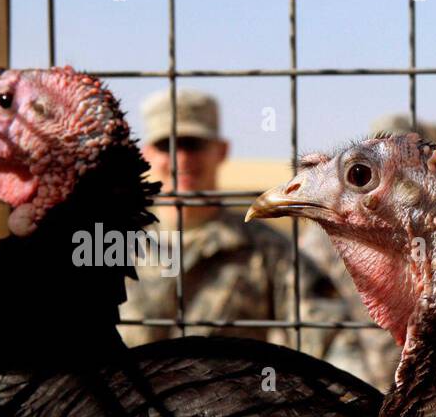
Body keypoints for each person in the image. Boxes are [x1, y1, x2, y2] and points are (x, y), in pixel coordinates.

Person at [121, 89, 364, 374]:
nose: (182, 158)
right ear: (146, 154)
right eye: (168, 145)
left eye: (193, 145)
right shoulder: (118, 247)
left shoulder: (267, 250)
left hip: (228, 415)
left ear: (221, 151)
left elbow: (332, 341)